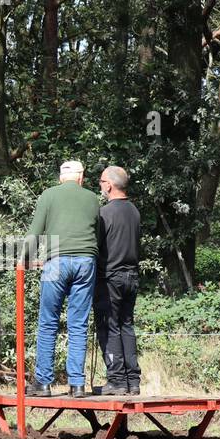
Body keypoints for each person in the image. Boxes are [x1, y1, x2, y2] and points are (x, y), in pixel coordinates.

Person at [23, 160, 101, 396]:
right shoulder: (92, 198)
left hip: (56, 262)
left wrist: (24, 260)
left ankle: (43, 383)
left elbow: (35, 232)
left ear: (60, 178)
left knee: (48, 322)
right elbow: (97, 235)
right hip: (86, 262)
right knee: (78, 324)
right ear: (81, 178)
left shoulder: (48, 195)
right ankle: (77, 384)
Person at [96, 165, 141, 395]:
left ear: (110, 185)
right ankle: (133, 381)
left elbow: (97, 246)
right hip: (132, 276)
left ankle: (116, 380)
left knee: (109, 326)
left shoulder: (105, 213)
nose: (100, 185)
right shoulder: (134, 211)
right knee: (127, 326)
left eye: (101, 181)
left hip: (110, 277)